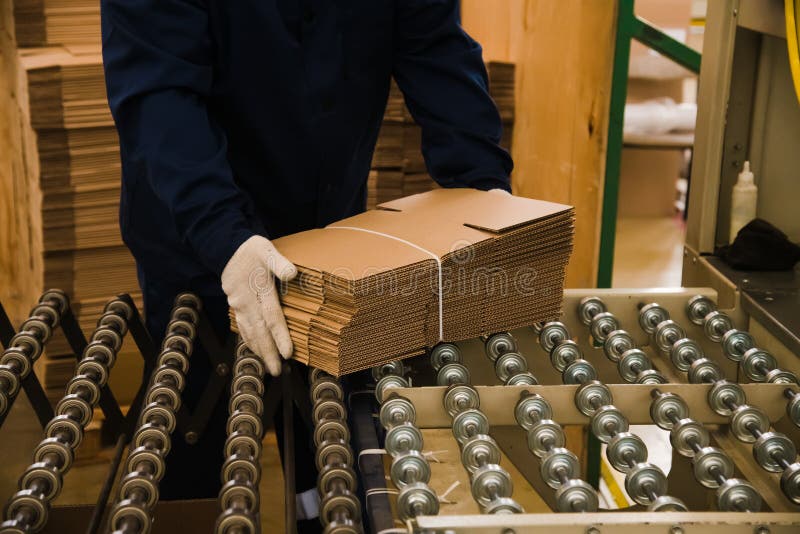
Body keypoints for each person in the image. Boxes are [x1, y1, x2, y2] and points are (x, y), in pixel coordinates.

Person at [101, 0, 512, 528]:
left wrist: (484, 197)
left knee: (328, 450)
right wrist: (226, 238)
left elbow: (435, 51)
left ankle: (316, 512)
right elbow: (159, 97)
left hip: (325, 243)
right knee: (193, 433)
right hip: (195, 241)